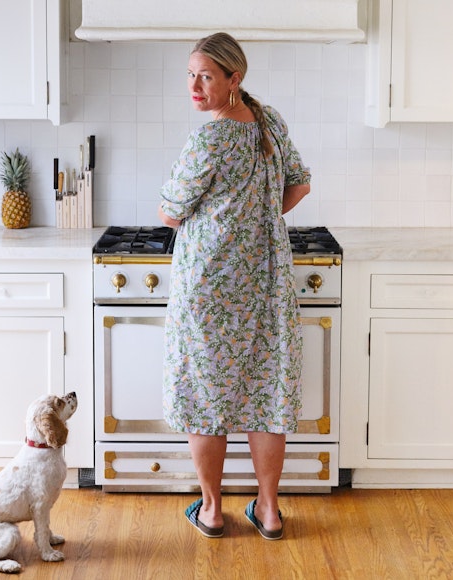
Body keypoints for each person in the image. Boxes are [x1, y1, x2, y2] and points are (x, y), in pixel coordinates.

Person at [158, 32, 311, 541]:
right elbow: (300, 183)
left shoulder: (209, 139)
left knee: (207, 397)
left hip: (208, 291)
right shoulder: (269, 123)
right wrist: (258, 219)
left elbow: (169, 211)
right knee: (267, 392)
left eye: (205, 75)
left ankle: (212, 510)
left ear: (233, 79)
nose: (194, 86)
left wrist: (226, 223)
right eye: (190, 74)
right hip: (266, 282)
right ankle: (268, 511)